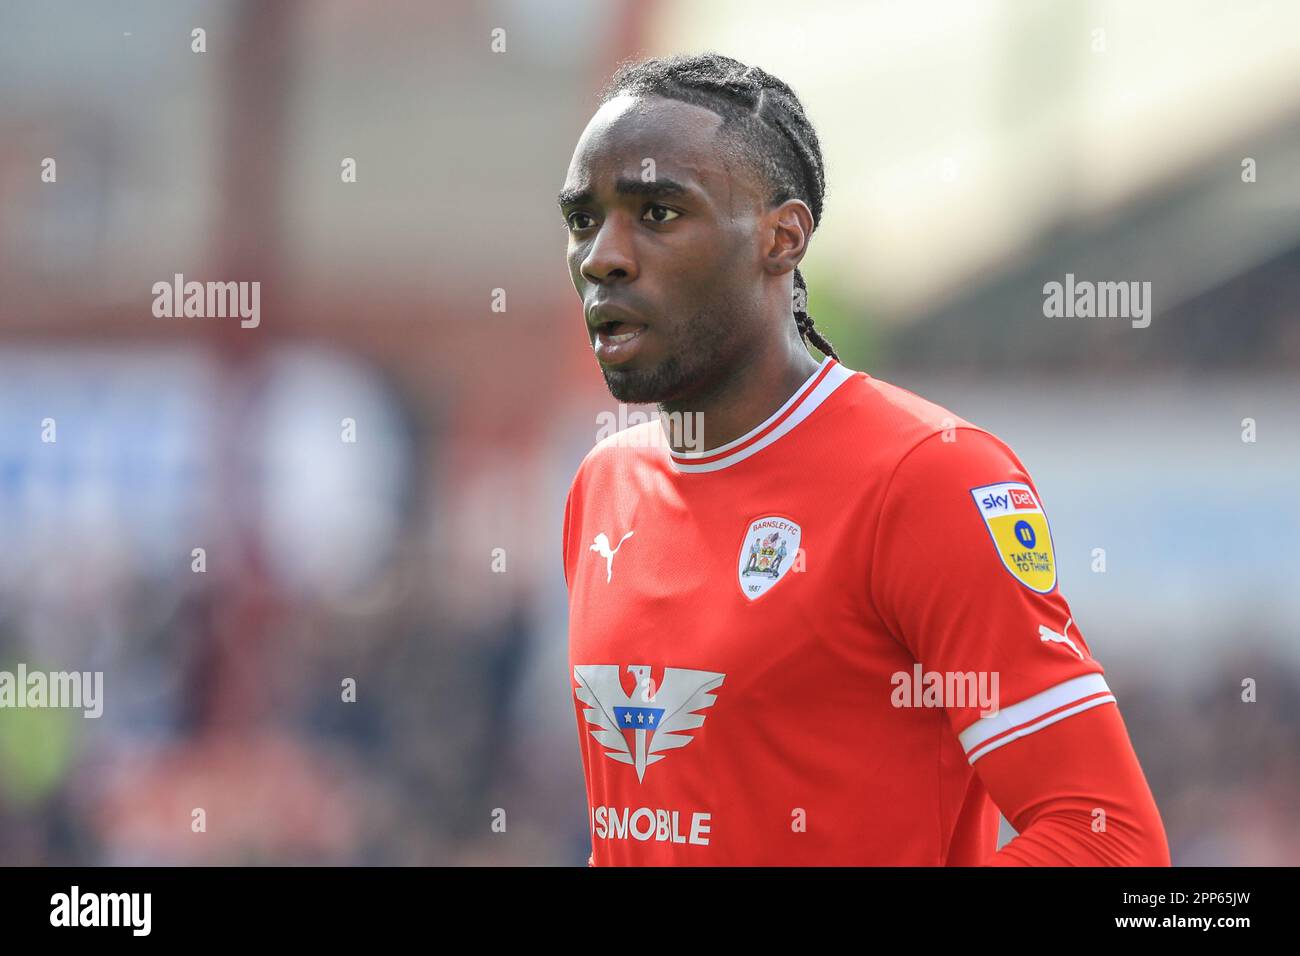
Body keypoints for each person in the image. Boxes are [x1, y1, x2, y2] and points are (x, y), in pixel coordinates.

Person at [557, 52, 1168, 865]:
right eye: (582, 219)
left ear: (782, 239)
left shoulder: (929, 478)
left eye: (660, 212)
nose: (603, 255)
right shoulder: (603, 489)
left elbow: (1111, 841)